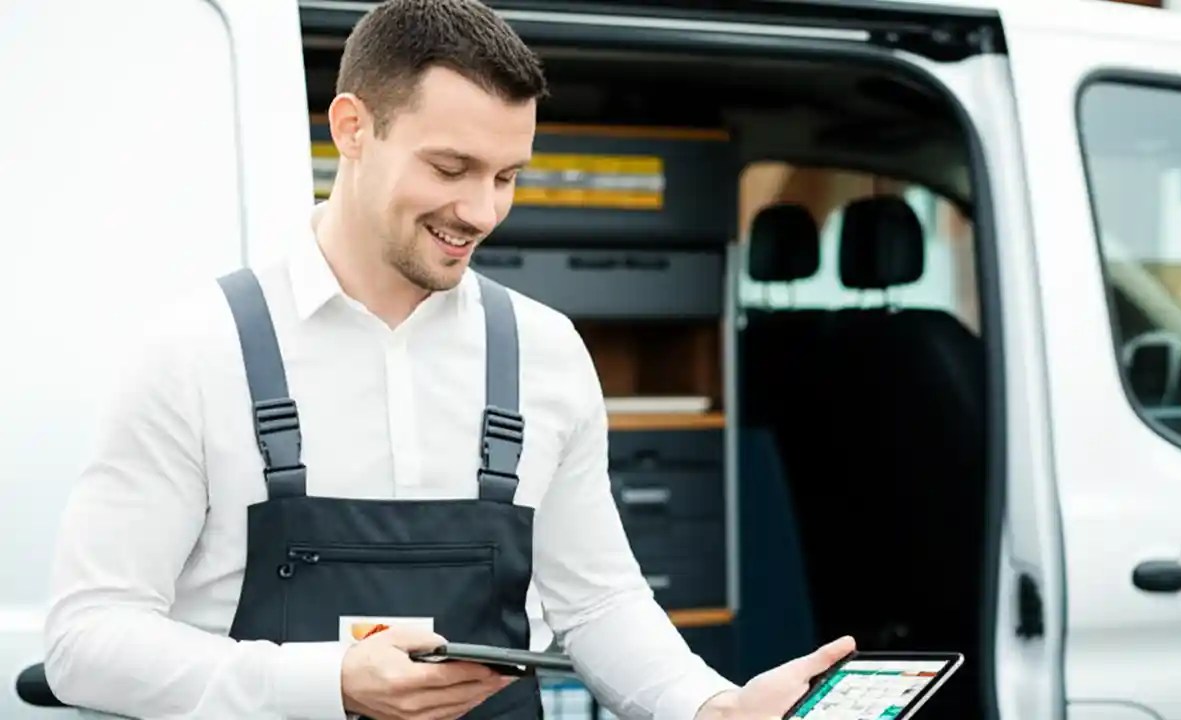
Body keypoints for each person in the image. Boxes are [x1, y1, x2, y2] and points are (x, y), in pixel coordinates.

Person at [42, 0, 855, 718]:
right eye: (450, 168)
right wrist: (329, 685)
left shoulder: (545, 354)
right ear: (353, 127)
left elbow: (597, 601)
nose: (480, 211)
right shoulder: (196, 350)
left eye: (506, 176)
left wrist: (710, 706)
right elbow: (87, 640)